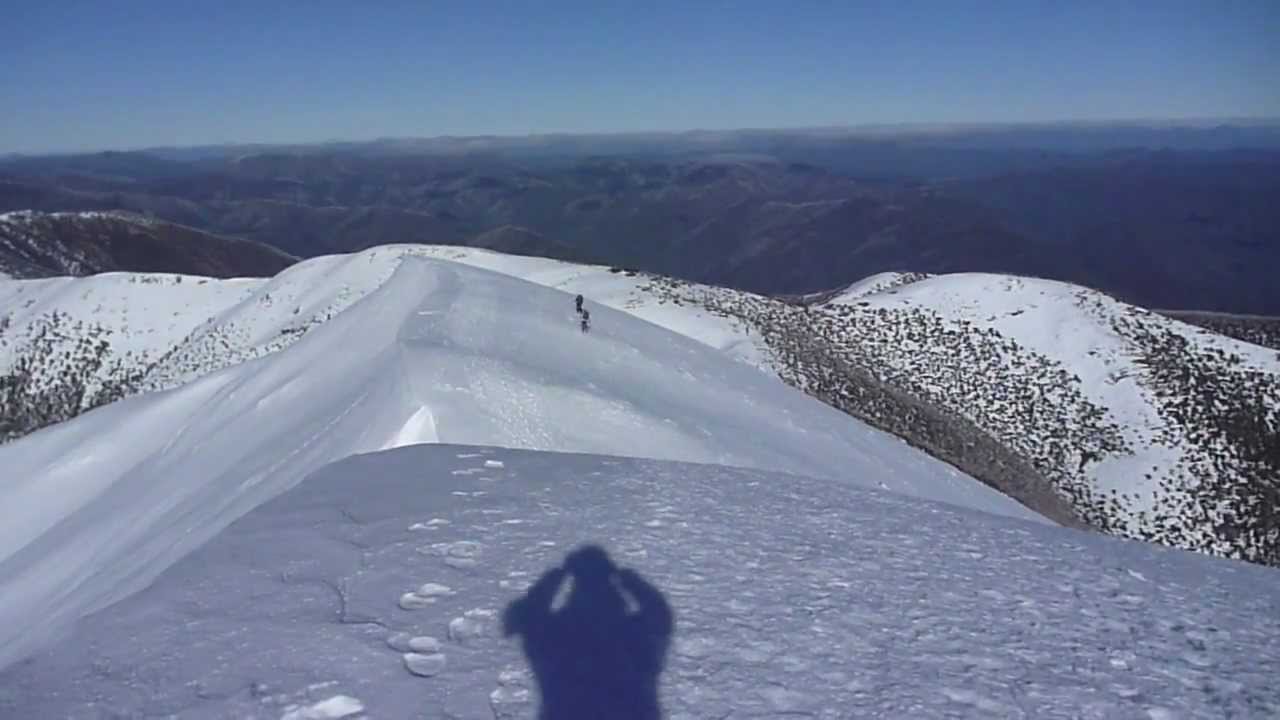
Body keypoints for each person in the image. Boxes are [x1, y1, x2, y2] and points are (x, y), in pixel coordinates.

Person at [503, 545, 673, 720]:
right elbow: (659, 613)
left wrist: (557, 575)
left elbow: (524, 617)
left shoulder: (555, 634)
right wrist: (627, 577)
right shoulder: (636, 633)